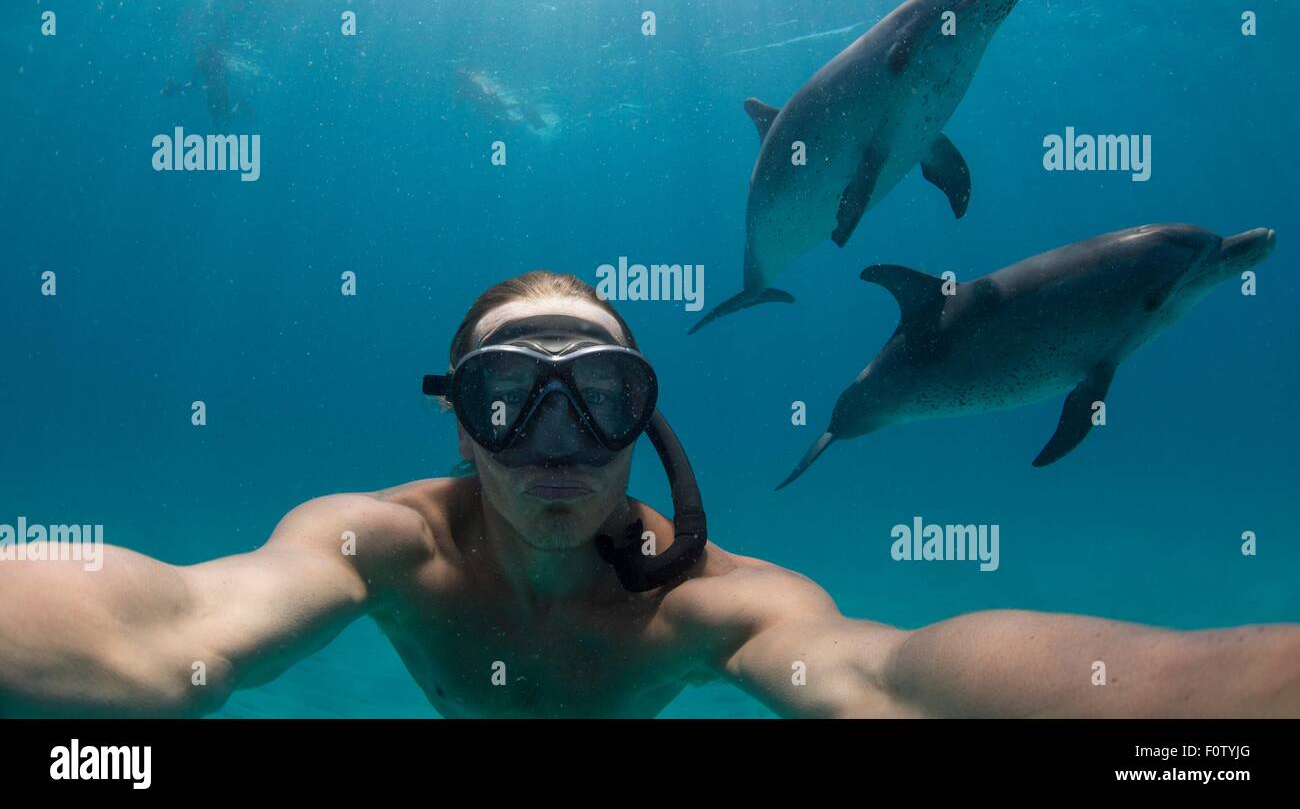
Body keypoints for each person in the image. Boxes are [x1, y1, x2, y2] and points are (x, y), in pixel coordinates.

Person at [1, 270, 1296, 718]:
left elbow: (889, 682)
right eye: (512, 397)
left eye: (601, 397)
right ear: (462, 426)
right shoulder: (377, 543)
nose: (557, 440)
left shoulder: (709, 605)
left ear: (644, 421)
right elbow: (172, 633)